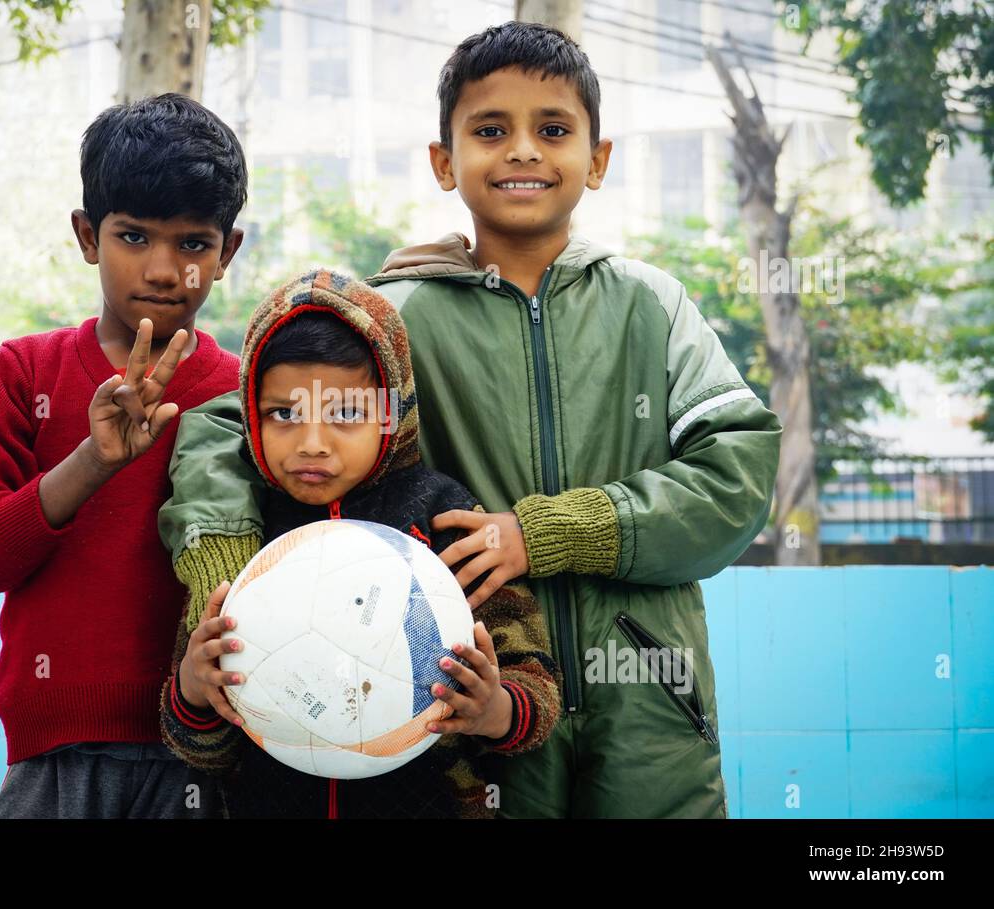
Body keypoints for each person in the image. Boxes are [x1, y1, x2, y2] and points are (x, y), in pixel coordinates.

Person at [157, 22, 782, 818]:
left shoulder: (651, 305)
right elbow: (225, 423)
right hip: (478, 728)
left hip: (653, 709)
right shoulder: (399, 314)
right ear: (444, 161)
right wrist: (230, 581)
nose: (523, 150)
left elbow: (739, 474)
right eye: (491, 130)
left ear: (598, 158)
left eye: (552, 129)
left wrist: (547, 532)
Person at [0, 94, 247, 818]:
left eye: (193, 245)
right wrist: (92, 461)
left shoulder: (247, 391)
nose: (164, 269)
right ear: (86, 235)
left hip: (206, 749)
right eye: (133, 237)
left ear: (228, 253)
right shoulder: (23, 373)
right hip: (55, 763)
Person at [159, 269, 560, 818]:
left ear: (393, 413)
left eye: (346, 414)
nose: (313, 443)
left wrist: (496, 711)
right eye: (285, 414)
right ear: (252, 415)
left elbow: (536, 685)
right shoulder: (248, 542)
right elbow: (198, 748)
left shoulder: (444, 520)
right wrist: (192, 693)